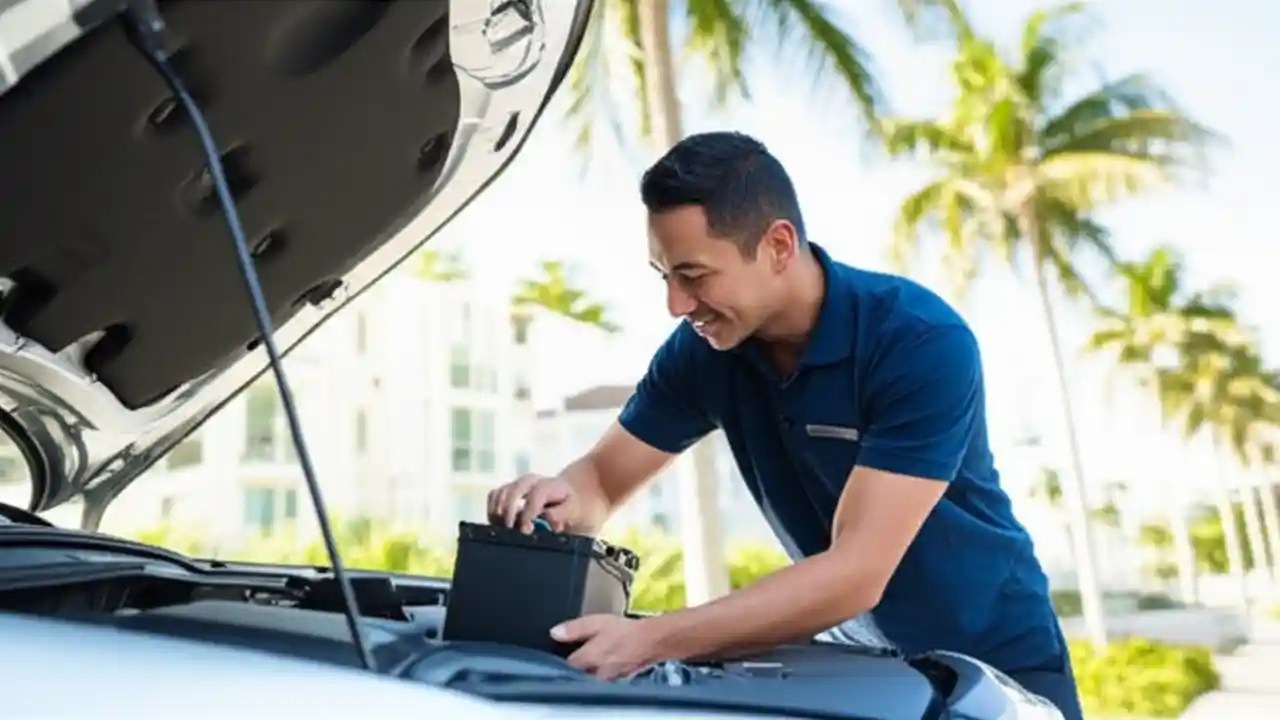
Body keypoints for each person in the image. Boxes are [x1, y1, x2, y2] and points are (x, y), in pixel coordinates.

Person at [487, 131, 1083, 719]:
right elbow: (601, 480)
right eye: (663, 275)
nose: (675, 303)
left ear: (777, 245)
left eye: (693, 275)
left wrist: (652, 637)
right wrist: (560, 499)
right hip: (865, 666)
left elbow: (857, 571)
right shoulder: (702, 351)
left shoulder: (918, 342)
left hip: (997, 668)